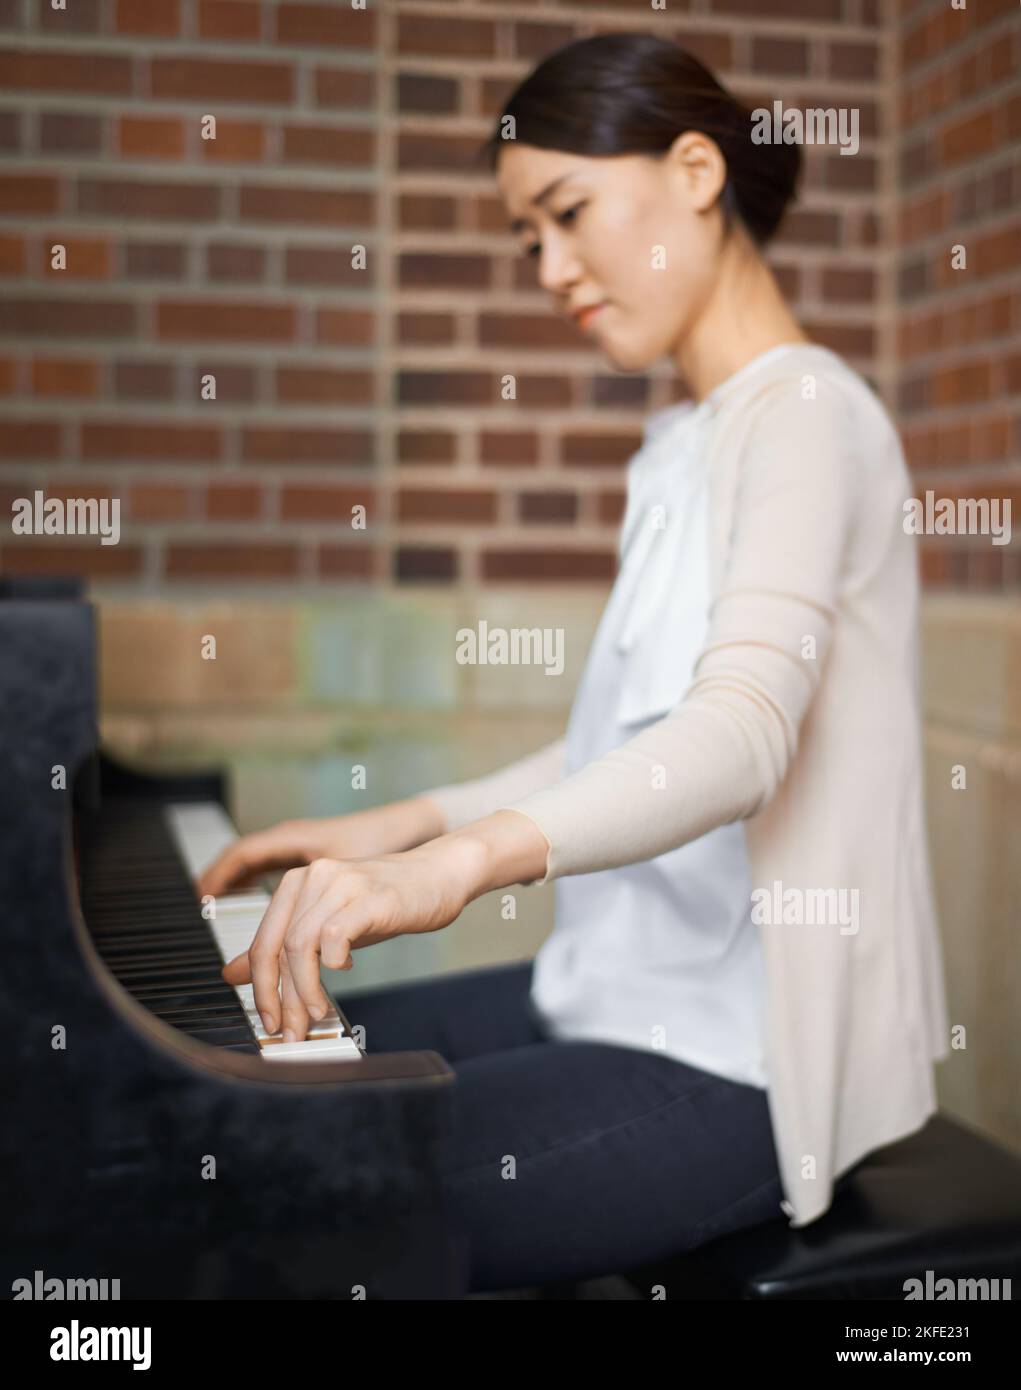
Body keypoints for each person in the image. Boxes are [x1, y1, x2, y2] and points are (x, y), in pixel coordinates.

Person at [196, 33, 949, 1295]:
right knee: (244, 1094)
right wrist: (404, 820)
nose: (548, 269)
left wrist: (465, 861)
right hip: (606, 993)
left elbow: (738, 734)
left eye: (565, 213)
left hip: (741, 1058)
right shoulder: (684, 446)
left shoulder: (805, 415)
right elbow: (630, 731)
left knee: (313, 1205)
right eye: (525, 238)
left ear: (696, 170)